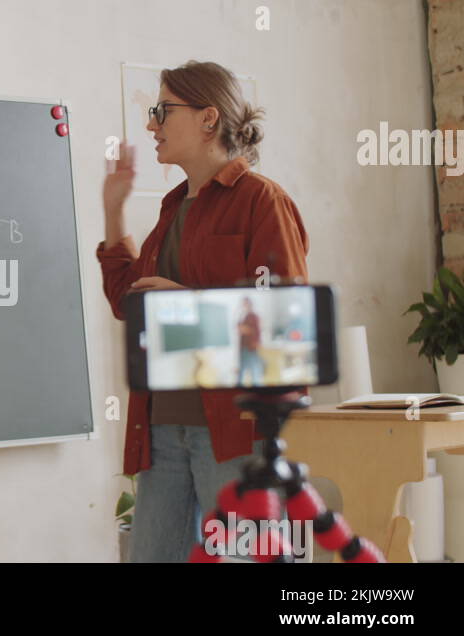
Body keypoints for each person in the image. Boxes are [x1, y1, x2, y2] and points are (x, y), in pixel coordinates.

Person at [98, 61, 309, 562]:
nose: (152, 124)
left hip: (233, 432)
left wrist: (187, 303)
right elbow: (128, 300)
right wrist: (113, 210)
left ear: (208, 118)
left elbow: (282, 324)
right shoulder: (174, 207)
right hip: (161, 428)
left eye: (163, 110)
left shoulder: (262, 201)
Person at [237, 297, 265, 386]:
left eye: (244, 303)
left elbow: (255, 331)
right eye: (242, 303)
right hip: (244, 347)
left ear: (249, 304)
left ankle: (257, 389)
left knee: (254, 370)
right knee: (242, 369)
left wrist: (244, 329)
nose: (243, 306)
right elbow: (241, 328)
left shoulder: (253, 316)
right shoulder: (244, 316)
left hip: (251, 347)